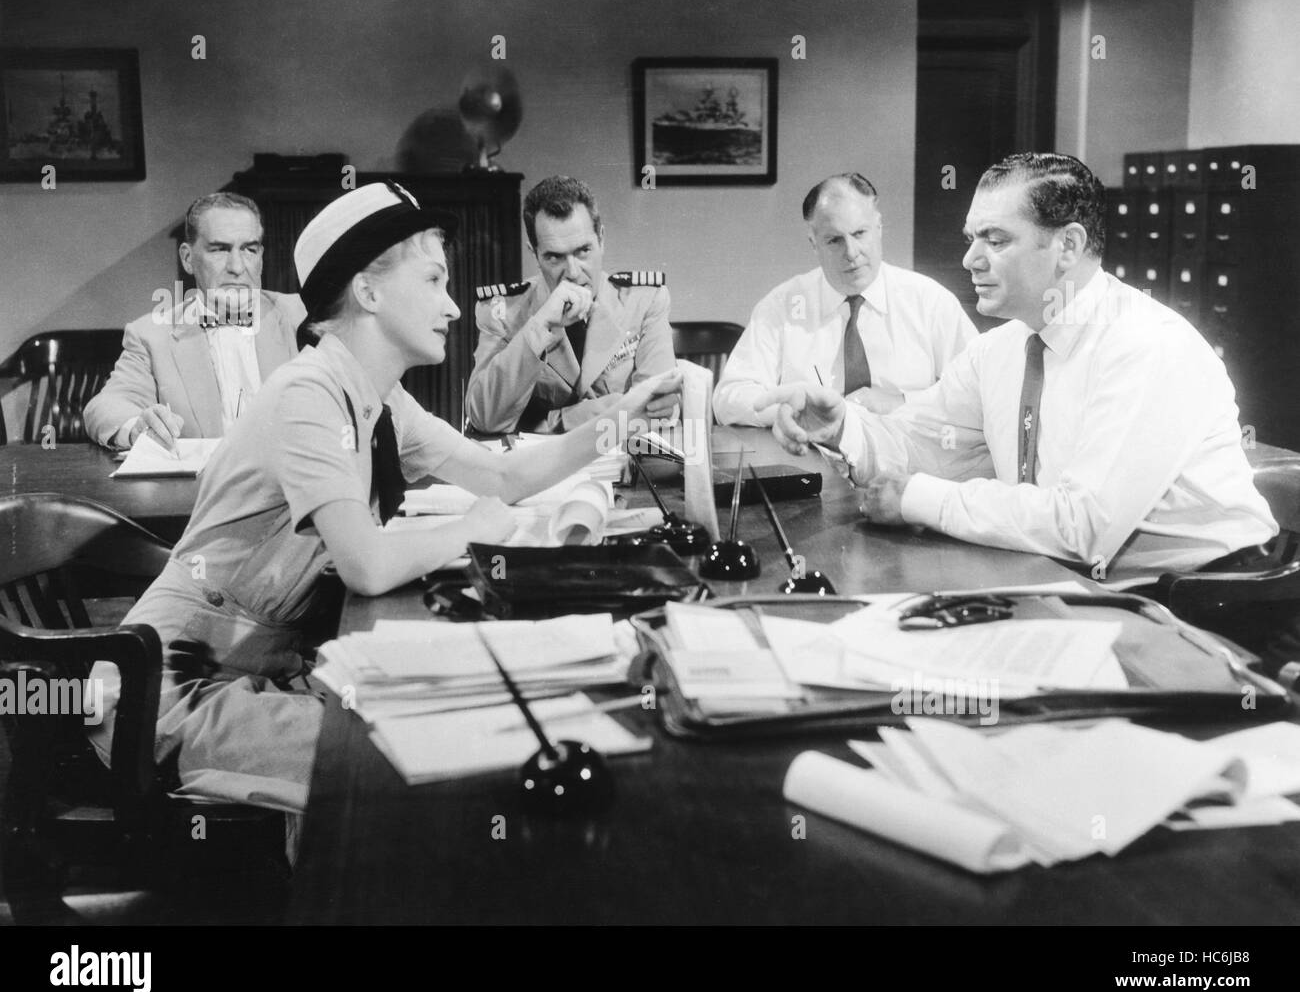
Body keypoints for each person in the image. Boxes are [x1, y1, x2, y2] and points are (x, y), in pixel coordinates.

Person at [86, 181, 681, 815]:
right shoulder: (307, 394)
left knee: (467, 723)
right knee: (404, 761)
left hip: (263, 673)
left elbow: (502, 477)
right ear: (367, 293)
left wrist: (625, 421)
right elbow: (367, 565)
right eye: (432, 282)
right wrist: (471, 529)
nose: (452, 308)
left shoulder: (377, 395)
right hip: (167, 688)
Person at [757, 152, 1276, 576]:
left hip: (1202, 603)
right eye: (971, 239)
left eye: (996, 239)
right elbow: (922, 445)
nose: (970, 260)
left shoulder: (1147, 346)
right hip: (1065, 583)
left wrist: (921, 500)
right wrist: (843, 426)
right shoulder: (1002, 348)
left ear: (1068, 245)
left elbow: (1083, 529)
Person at [712, 173, 975, 426]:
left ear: (879, 228)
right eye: (834, 240)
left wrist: (904, 402)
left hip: (909, 457)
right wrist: (797, 410)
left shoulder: (929, 300)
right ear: (814, 243)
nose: (851, 253)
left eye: (860, 233)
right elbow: (729, 398)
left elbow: (978, 388)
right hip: (812, 457)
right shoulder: (783, 306)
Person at [83, 192, 306, 449]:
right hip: (200, 486)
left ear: (261, 257)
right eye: (220, 249)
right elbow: (106, 406)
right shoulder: (151, 335)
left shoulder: (301, 316)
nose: (237, 266)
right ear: (188, 259)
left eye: (249, 249)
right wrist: (136, 427)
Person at [465, 175, 677, 434]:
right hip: (538, 468)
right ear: (534, 252)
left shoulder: (644, 300)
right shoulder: (503, 312)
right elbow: (484, 418)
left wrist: (551, 423)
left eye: (583, 251)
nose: (573, 272)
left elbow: (651, 410)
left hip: (622, 461)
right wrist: (541, 325)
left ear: (601, 238)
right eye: (554, 257)